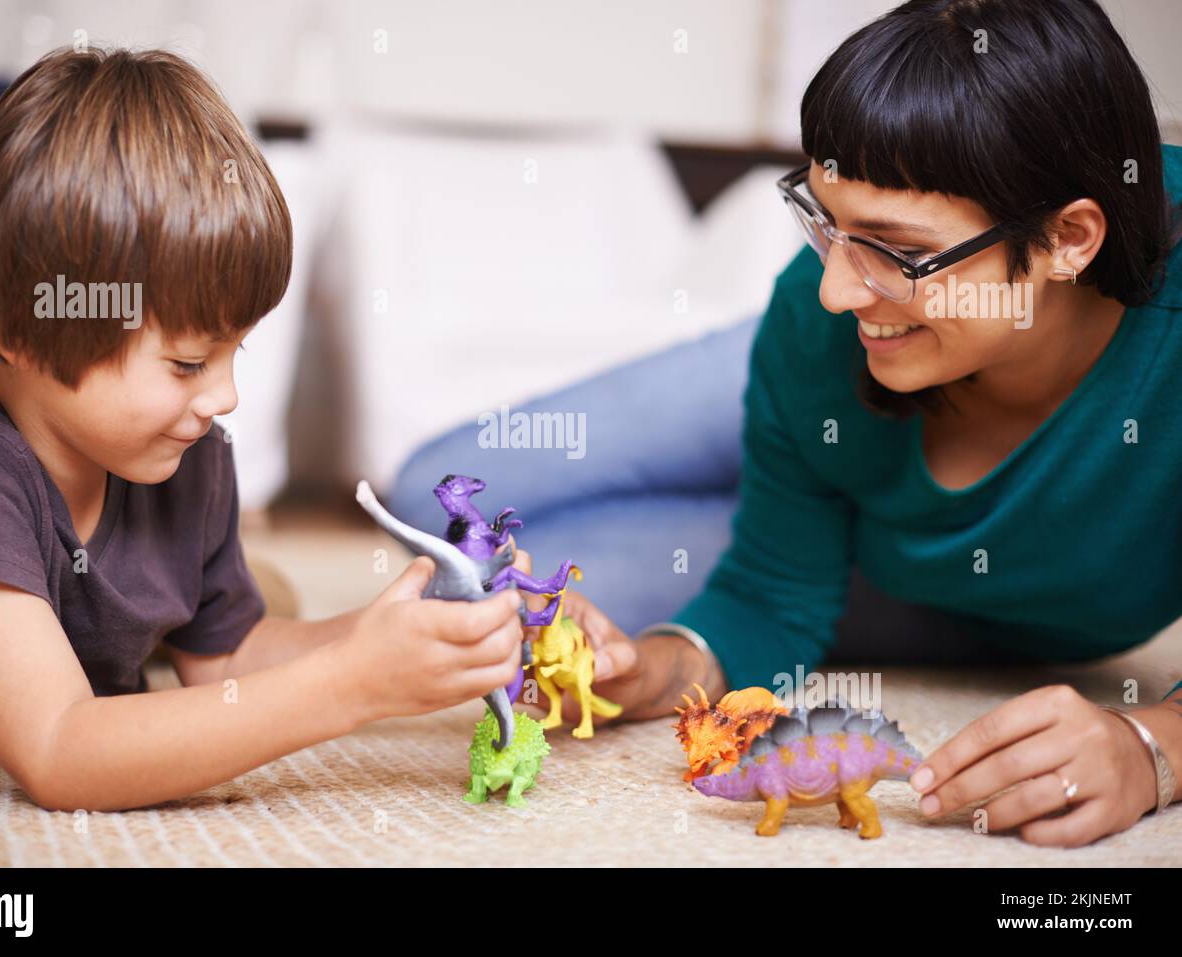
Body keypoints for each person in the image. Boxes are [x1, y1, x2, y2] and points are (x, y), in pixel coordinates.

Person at [394, 0, 1182, 846]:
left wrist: (1153, 743)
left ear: (1070, 239)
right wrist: (645, 673)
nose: (835, 289)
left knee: (515, 580)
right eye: (827, 225)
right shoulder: (820, 320)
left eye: (895, 248)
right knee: (434, 504)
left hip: (909, 555)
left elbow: (782, 599)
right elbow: (769, 590)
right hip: (837, 394)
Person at [0, 47, 528, 811]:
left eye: (236, 351)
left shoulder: (190, 453)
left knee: (253, 607)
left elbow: (224, 662)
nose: (225, 397)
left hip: (120, 608)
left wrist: (398, 633)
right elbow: (58, 749)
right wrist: (347, 687)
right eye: (188, 362)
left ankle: (191, 605)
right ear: (25, 328)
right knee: (249, 600)